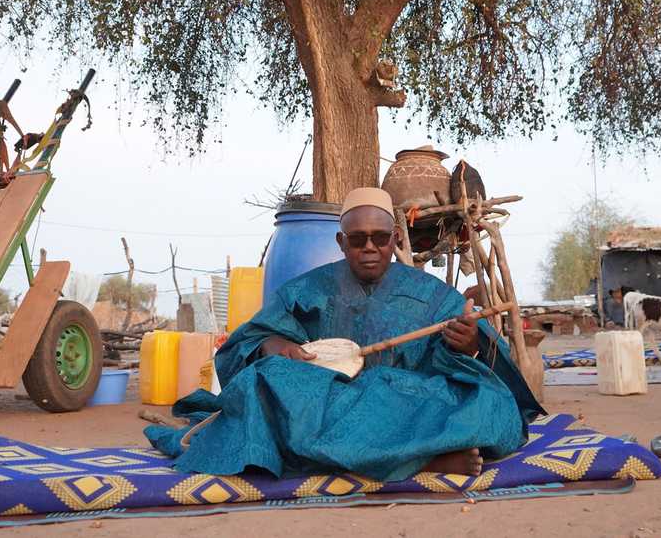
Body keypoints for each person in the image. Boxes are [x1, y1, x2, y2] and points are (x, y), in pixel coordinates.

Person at [145, 187, 542, 481]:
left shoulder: (432, 295)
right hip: (329, 402)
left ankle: (375, 457)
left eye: (380, 238)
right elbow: (245, 343)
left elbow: (486, 356)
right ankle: (425, 458)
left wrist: (469, 346)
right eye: (357, 239)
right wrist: (274, 345)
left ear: (396, 239)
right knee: (261, 382)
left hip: (406, 400)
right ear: (341, 242)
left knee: (487, 400)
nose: (369, 247)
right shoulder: (308, 289)